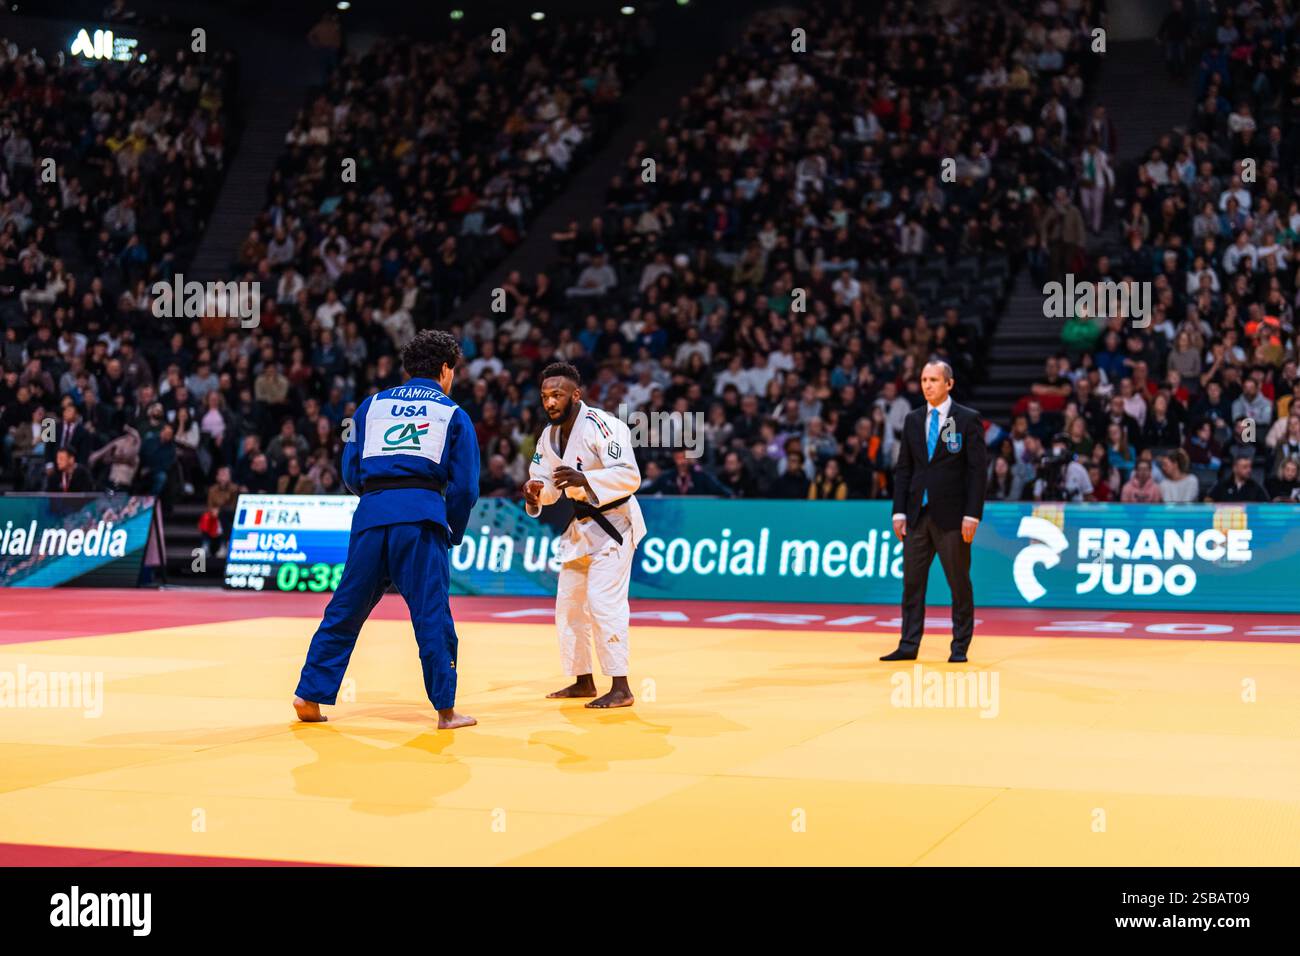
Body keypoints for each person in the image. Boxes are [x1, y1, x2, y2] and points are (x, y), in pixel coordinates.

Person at [293, 330, 480, 729]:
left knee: (345, 608)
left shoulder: (369, 406)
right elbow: (465, 488)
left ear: (408, 368)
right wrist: (452, 528)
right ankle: (446, 711)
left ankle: (308, 695)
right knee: (431, 613)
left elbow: (350, 470)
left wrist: (378, 498)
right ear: (446, 369)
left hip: (371, 516)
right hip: (421, 519)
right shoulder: (453, 413)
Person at [523, 362, 645, 708]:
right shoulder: (548, 437)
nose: (550, 402)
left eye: (557, 394)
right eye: (545, 396)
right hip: (581, 529)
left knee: (603, 602)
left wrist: (586, 480)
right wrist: (536, 492)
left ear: (576, 395)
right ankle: (582, 680)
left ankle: (621, 686)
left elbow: (629, 476)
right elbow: (547, 484)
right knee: (569, 606)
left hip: (615, 525)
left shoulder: (604, 426)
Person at [881, 361, 988, 664]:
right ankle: (908, 644)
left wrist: (972, 514)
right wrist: (898, 511)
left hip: (953, 516)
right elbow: (904, 469)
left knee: (958, 582)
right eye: (924, 379)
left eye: (934, 380)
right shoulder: (914, 420)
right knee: (912, 583)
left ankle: (959, 647)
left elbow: (977, 472)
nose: (927, 385)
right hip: (917, 515)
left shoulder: (967, 419)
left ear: (949, 384)